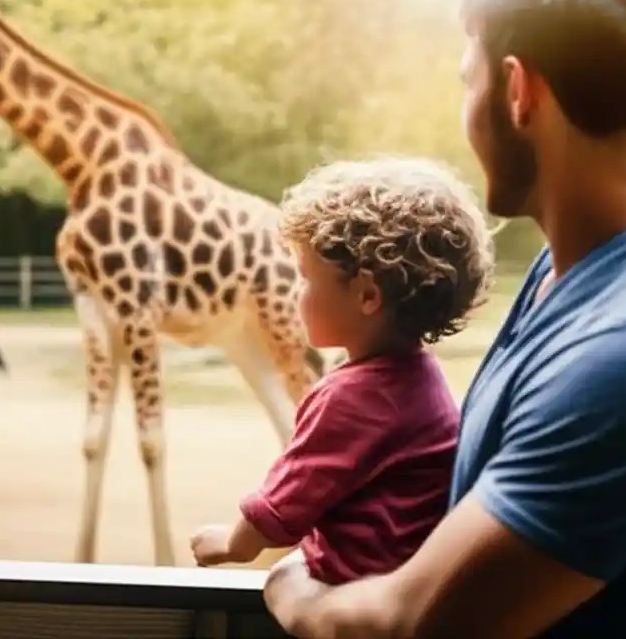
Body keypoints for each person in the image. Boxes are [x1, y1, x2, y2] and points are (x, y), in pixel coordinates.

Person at [263, 0, 626, 638]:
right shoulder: (570, 281)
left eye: (468, 79)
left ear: (520, 90)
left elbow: (410, 623)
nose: (467, 110)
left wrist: (292, 590)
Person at [188, 156, 493, 584]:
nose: (296, 292)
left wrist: (232, 542)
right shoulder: (420, 375)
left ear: (368, 296)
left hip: (360, 586)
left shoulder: (353, 398)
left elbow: (290, 492)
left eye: (307, 278)